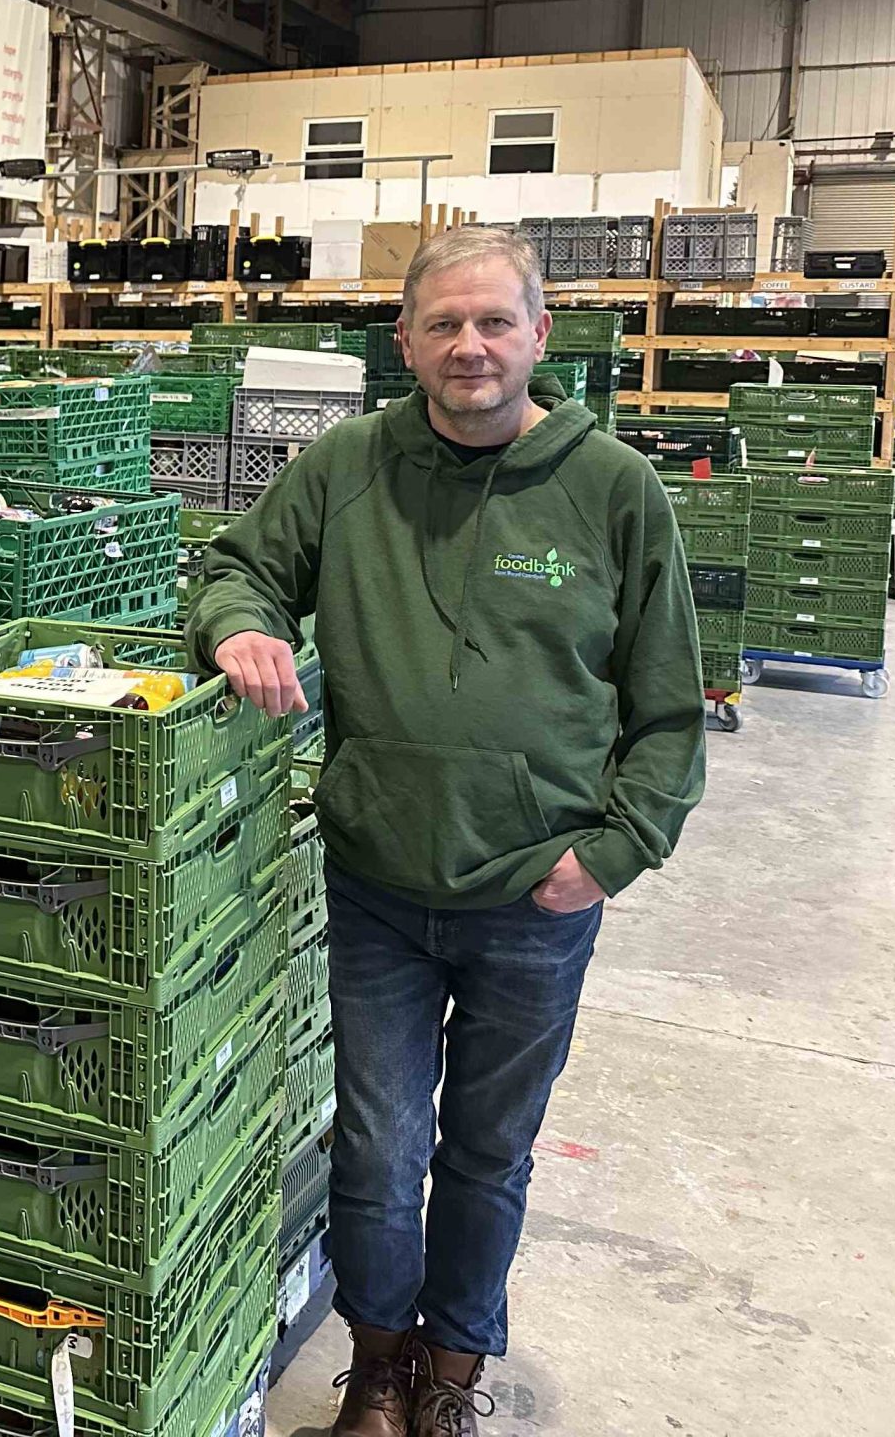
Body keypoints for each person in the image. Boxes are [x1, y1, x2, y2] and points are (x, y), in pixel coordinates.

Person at [188, 224, 705, 1437]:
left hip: (535, 896)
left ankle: (452, 1375)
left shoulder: (611, 488)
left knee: (488, 1151)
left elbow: (670, 706)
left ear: (538, 334)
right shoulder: (347, 465)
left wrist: (609, 854)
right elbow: (235, 569)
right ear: (407, 342)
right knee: (376, 1151)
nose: (469, 346)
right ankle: (377, 1367)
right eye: (443, 325)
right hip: (378, 881)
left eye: (493, 322)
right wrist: (238, 627)